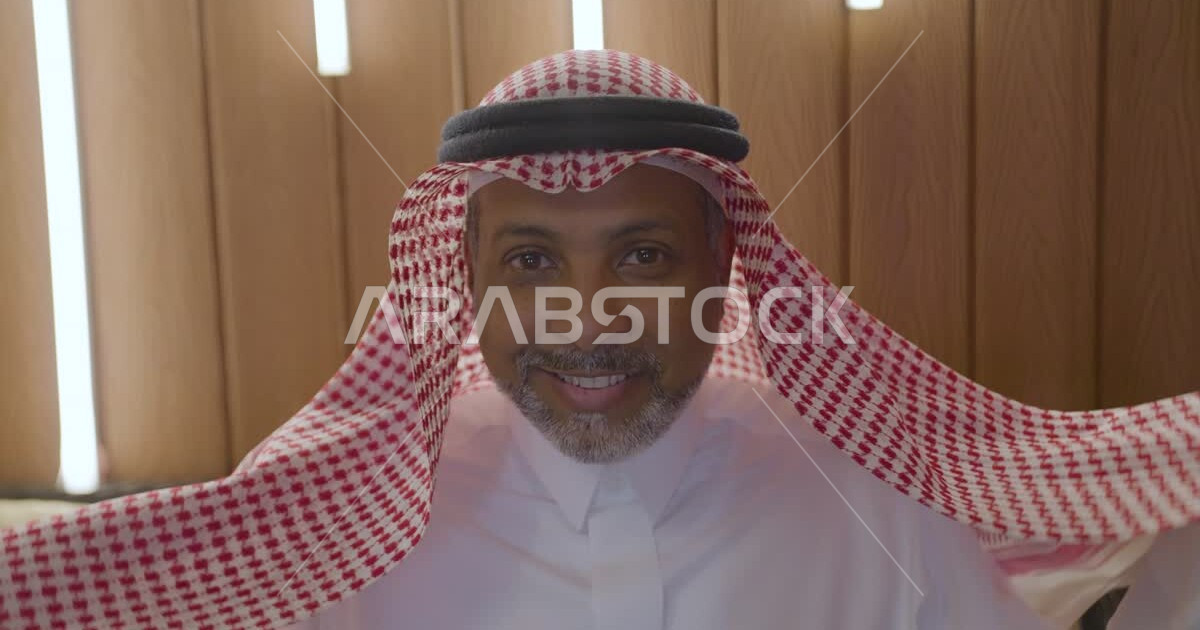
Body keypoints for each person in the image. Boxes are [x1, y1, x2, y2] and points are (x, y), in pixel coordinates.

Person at [2, 49, 1197, 630]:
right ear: (461, 283)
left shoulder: (872, 500)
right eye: (529, 261)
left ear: (724, 275)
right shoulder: (330, 525)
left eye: (641, 257)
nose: (585, 316)